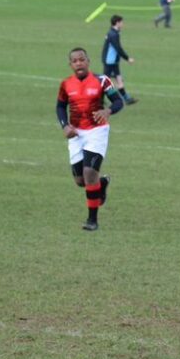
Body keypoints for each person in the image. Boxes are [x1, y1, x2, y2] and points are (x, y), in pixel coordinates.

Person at [56, 47, 123, 231]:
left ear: (88, 61)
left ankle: (92, 220)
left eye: (82, 59)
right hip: (76, 134)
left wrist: (108, 110)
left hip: (97, 131)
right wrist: (65, 126)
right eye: (75, 61)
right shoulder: (66, 84)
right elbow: (60, 107)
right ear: (70, 65)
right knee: (80, 181)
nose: (79, 63)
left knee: (89, 173)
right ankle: (102, 183)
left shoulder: (102, 80)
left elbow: (118, 101)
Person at [100, 14, 135, 105]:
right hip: (109, 61)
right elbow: (118, 48)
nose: (123, 24)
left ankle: (127, 99)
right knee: (105, 81)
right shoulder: (113, 34)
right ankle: (99, 99)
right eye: (121, 22)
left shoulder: (113, 32)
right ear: (117, 23)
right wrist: (128, 58)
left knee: (119, 79)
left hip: (113, 61)